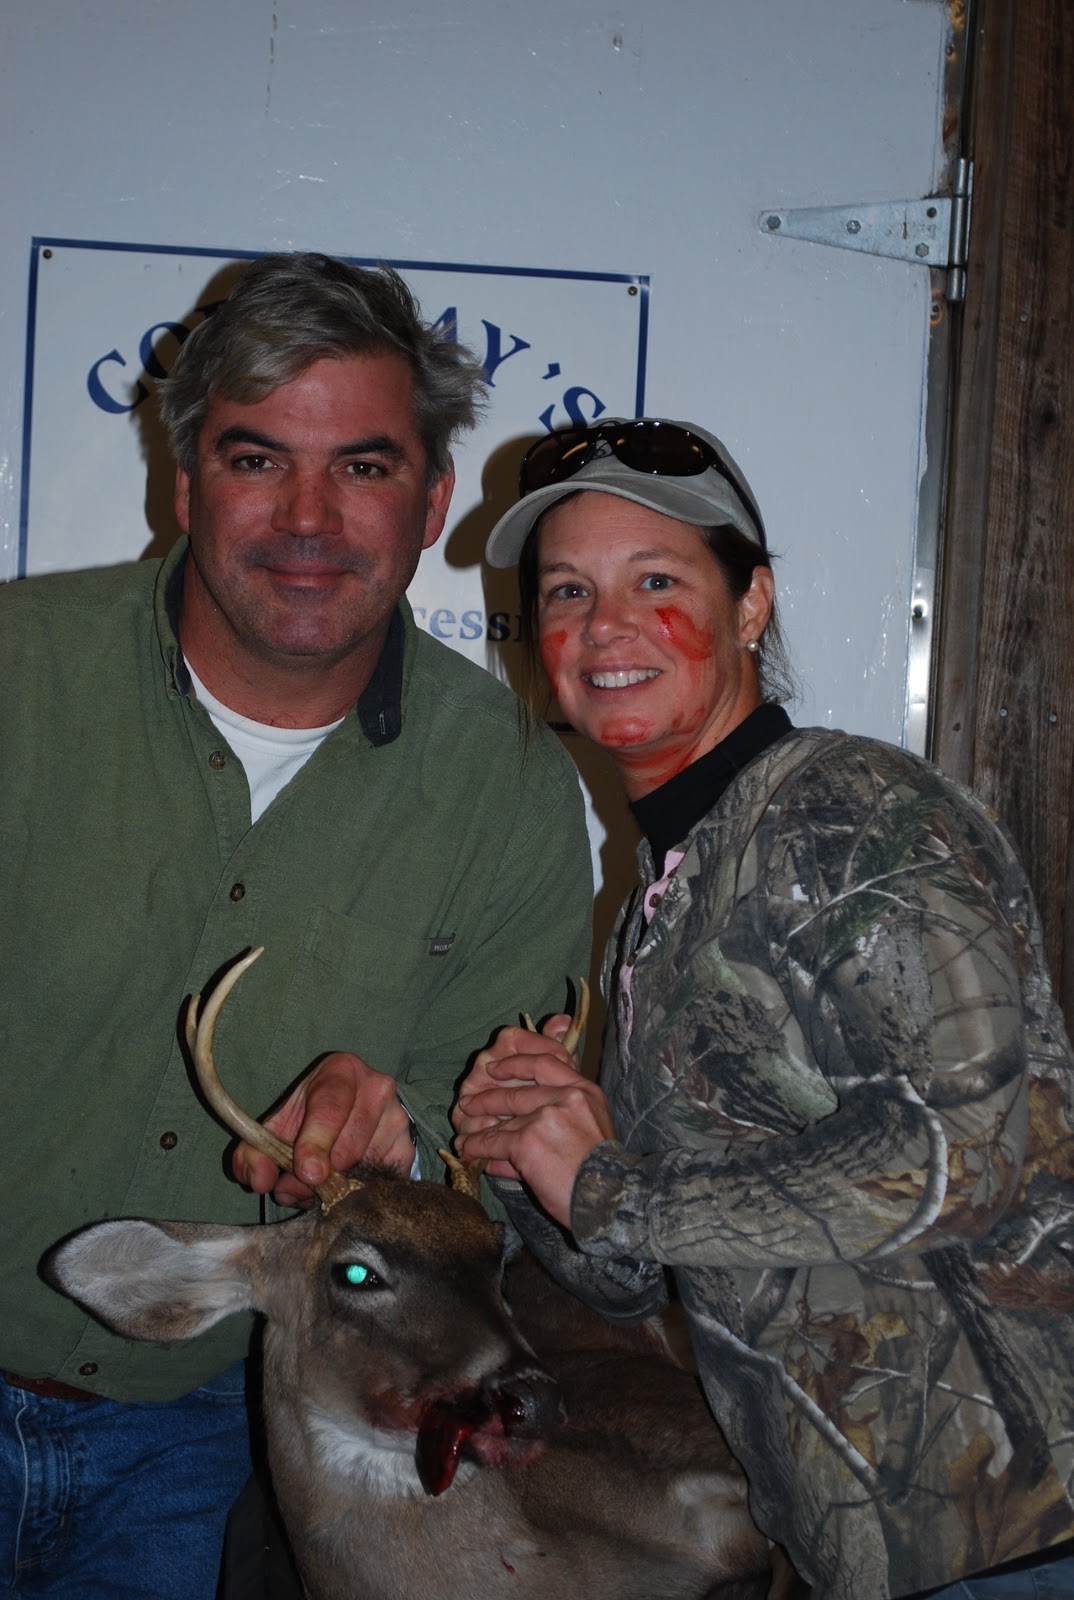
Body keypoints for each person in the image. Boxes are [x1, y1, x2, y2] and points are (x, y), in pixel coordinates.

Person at [0, 253, 592, 1600]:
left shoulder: (501, 788)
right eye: (259, 460)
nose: (309, 520)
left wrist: (401, 1150)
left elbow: (487, 1140)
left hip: (213, 1438)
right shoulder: (17, 678)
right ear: (185, 481)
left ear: (433, 501)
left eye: (367, 469)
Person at [454, 416, 1074, 1600]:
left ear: (751, 606)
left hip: (1017, 1538)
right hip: (865, 1551)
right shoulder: (662, 892)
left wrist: (610, 1183)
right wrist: (521, 1153)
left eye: (657, 581)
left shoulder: (850, 812)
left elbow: (962, 1161)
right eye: (568, 589)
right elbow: (632, 1275)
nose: (605, 625)